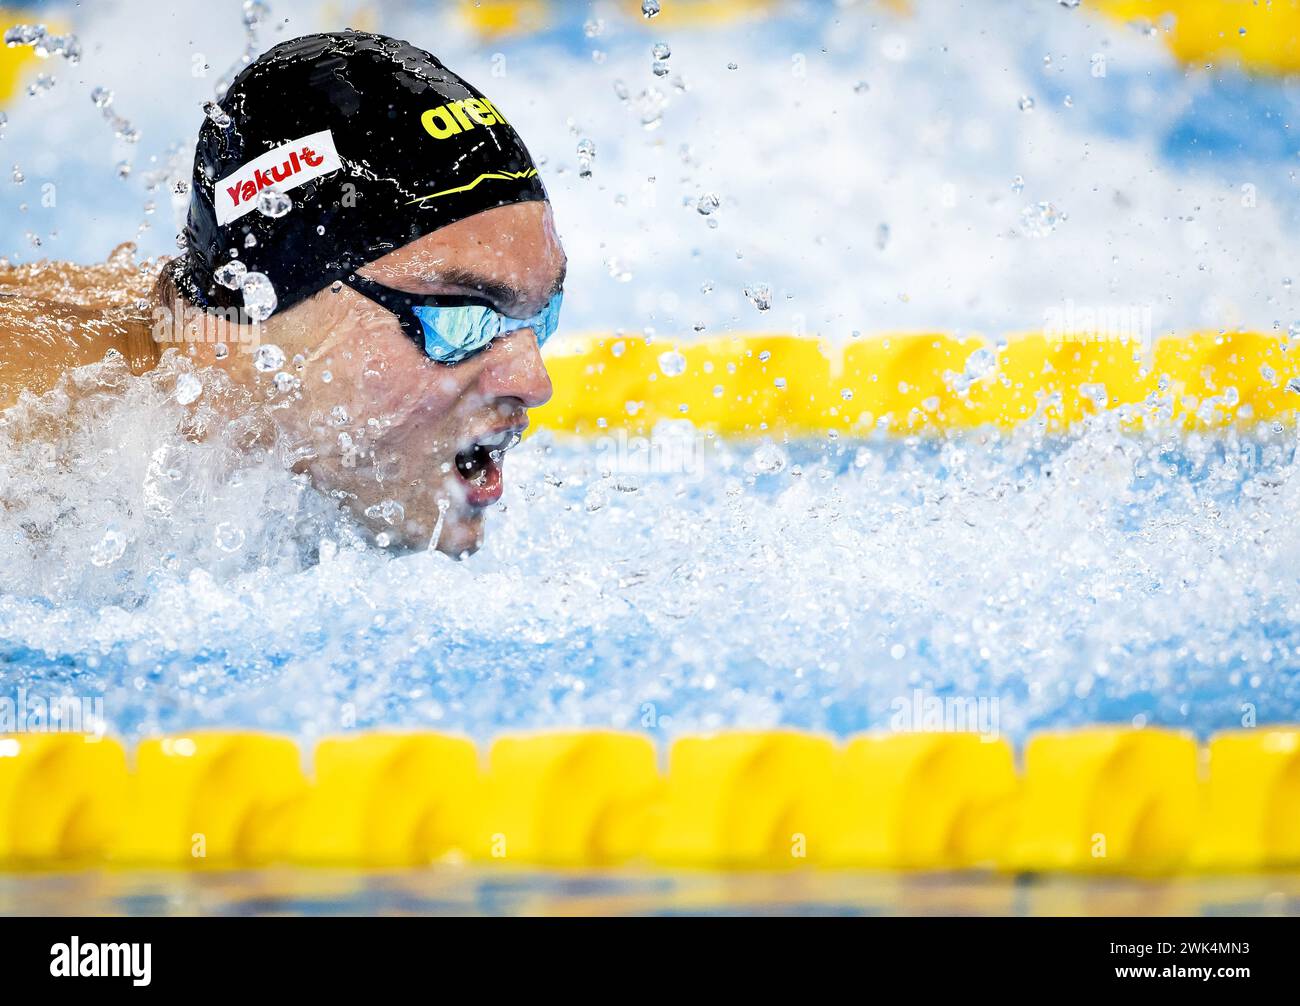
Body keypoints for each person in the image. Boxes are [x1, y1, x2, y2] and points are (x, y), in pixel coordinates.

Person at [0, 30, 565, 557]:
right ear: (251, 318)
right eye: (460, 320)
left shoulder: (240, 405)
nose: (534, 383)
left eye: (541, 315)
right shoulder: (32, 447)